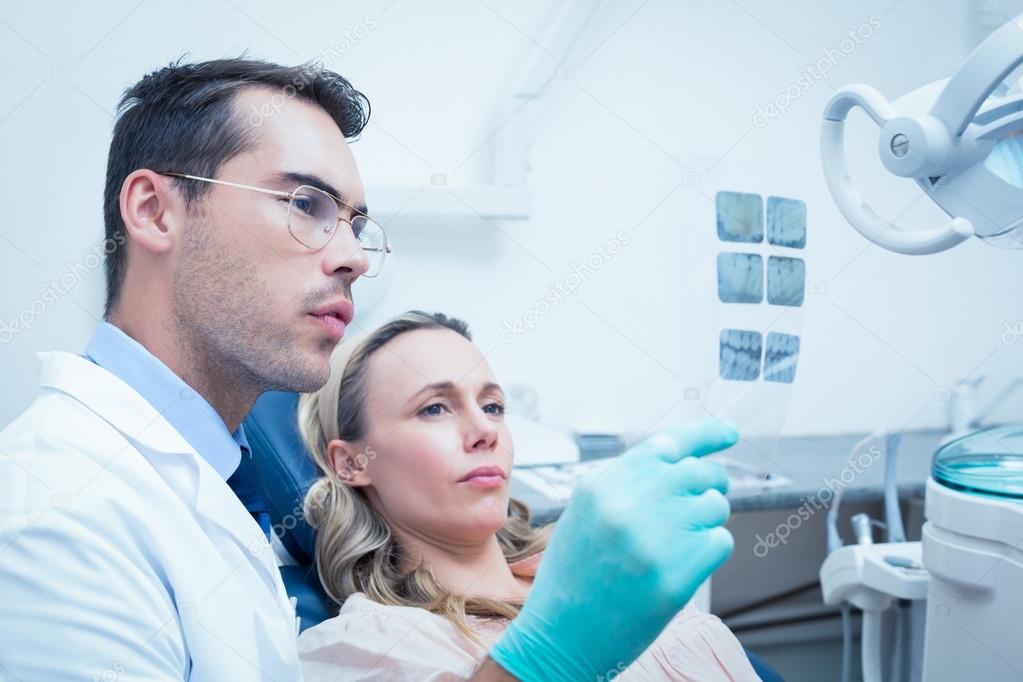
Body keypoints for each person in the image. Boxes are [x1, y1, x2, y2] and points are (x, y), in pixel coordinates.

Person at [0, 58, 738, 681]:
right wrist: (552, 655)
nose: (353, 255)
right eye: (303, 203)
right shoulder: (56, 517)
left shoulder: (211, 488)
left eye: (354, 223)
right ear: (156, 212)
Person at [295, 311, 760, 681]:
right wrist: (553, 654)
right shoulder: (369, 647)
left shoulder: (593, 570)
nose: (484, 431)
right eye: (434, 408)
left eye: (493, 406)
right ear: (352, 463)